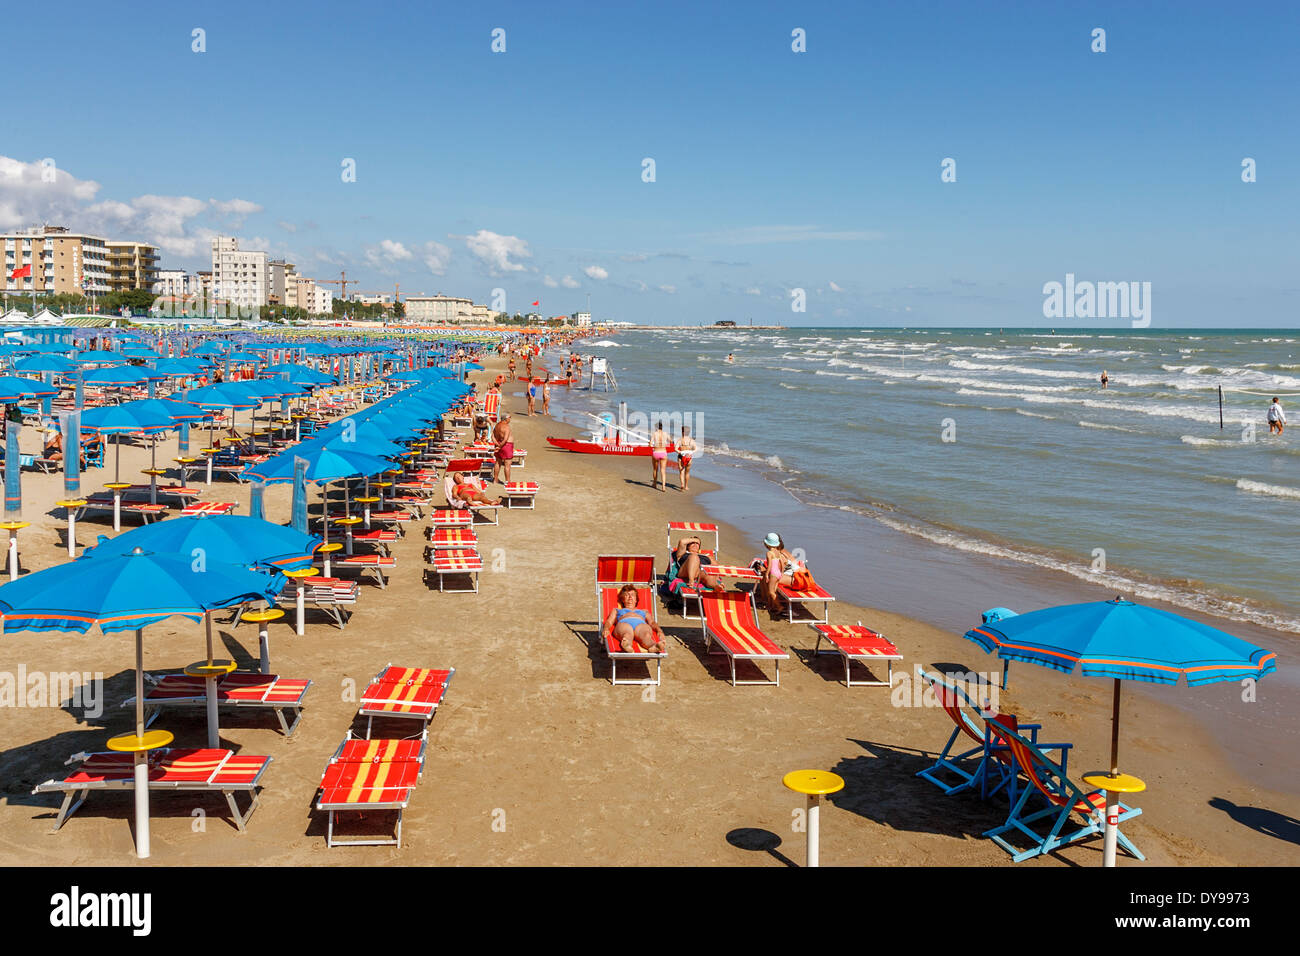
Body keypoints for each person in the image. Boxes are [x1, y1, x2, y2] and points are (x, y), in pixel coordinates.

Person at [602, 584, 665, 654]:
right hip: (624, 623)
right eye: (626, 595)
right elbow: (609, 621)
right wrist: (606, 628)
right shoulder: (616, 610)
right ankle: (627, 645)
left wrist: (659, 631)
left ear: (636, 599)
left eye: (632, 595)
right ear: (622, 599)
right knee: (627, 634)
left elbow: (652, 623)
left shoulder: (644, 611)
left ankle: (654, 646)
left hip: (641, 625)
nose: (630, 597)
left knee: (646, 635)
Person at [760, 532, 803, 616]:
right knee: (770, 582)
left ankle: (771, 603)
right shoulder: (780, 552)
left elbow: (774, 567)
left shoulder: (777, 553)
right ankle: (770, 602)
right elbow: (782, 567)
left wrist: (766, 572)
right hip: (794, 576)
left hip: (796, 579)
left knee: (766, 579)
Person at [492, 414, 514, 483]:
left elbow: (492, 436)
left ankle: (495, 479)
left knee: (498, 462)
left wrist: (497, 444)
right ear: (506, 418)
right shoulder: (506, 426)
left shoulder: (497, 425)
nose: (510, 419)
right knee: (507, 464)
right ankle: (508, 482)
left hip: (498, 443)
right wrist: (500, 446)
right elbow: (505, 439)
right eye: (510, 417)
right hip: (506, 445)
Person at [650, 420, 669, 492]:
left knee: (655, 469)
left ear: (656, 428)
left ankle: (654, 484)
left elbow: (651, 444)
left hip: (656, 452)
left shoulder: (654, 434)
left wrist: (651, 445)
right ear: (662, 427)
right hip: (663, 453)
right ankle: (663, 487)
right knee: (663, 470)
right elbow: (671, 441)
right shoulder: (665, 433)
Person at [677, 426, 697, 491]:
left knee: (681, 472)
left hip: (681, 457)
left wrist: (680, 452)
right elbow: (696, 449)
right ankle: (686, 486)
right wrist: (690, 453)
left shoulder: (680, 440)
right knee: (687, 472)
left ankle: (682, 485)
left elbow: (675, 448)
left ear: (683, 432)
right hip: (689, 457)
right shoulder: (691, 440)